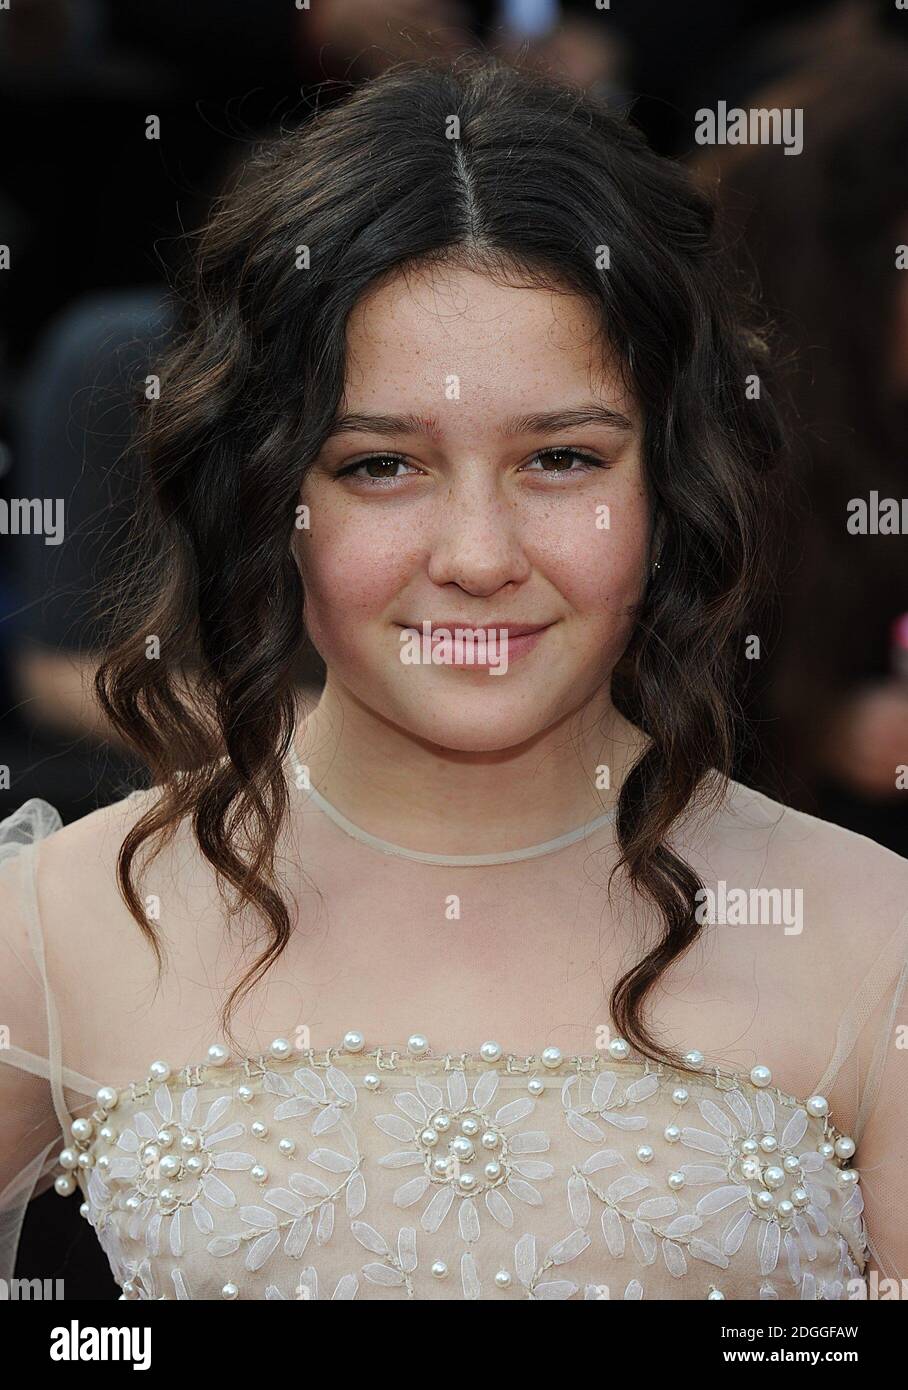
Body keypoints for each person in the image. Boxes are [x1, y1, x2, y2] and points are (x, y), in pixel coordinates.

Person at [0, 56, 905, 1303]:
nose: (477, 558)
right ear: (270, 495)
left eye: (563, 459)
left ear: (669, 486)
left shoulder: (876, 941)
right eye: (380, 466)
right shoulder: (55, 927)